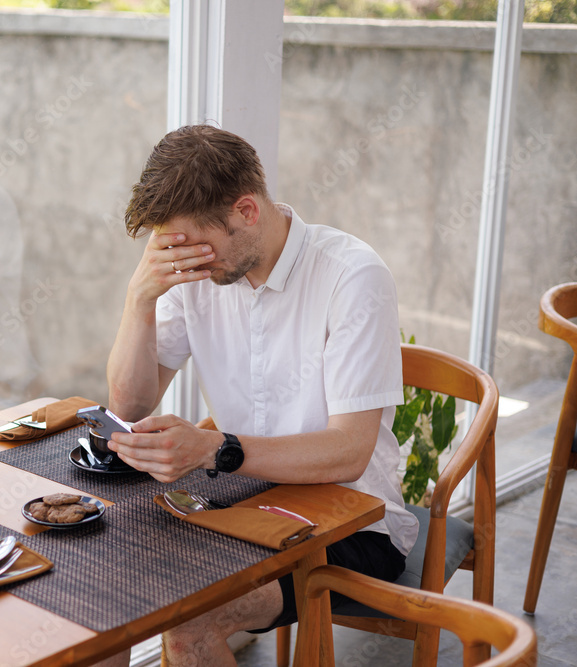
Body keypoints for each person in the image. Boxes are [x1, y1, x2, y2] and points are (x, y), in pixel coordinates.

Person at [100, 125, 418, 666]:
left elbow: (349, 452)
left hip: (354, 522)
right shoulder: (200, 270)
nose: (186, 262)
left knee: (188, 621)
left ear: (247, 211)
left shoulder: (352, 277)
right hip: (238, 501)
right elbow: (129, 407)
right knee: (103, 597)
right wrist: (139, 300)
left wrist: (212, 450)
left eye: (196, 244)